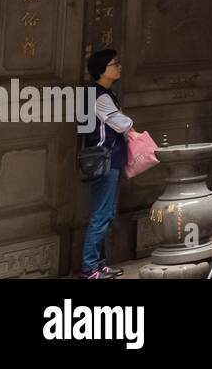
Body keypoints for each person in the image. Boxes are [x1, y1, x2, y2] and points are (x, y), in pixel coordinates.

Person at [80, 48, 139, 279]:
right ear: (102, 70)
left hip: (107, 159)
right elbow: (121, 123)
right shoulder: (99, 96)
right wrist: (131, 122)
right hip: (105, 159)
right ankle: (89, 267)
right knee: (101, 213)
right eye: (115, 64)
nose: (119, 67)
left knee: (106, 212)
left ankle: (99, 264)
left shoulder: (103, 94)